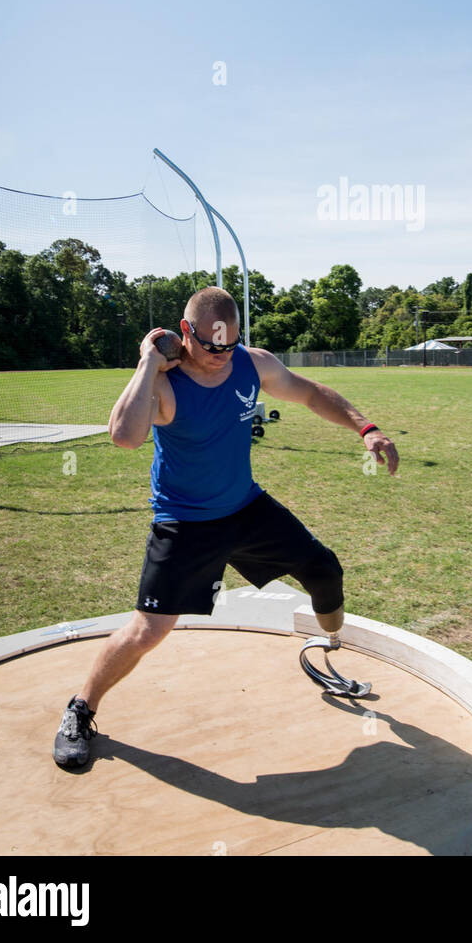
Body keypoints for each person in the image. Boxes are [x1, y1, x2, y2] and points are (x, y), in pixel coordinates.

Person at [53, 286, 399, 768]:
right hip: (186, 522)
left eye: (229, 345)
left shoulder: (251, 364)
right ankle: (80, 709)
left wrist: (367, 428)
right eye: (211, 346)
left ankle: (331, 645)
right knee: (148, 631)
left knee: (323, 569)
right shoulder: (165, 383)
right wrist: (148, 363)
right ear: (185, 333)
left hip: (244, 508)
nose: (221, 356)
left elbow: (309, 392)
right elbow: (125, 437)